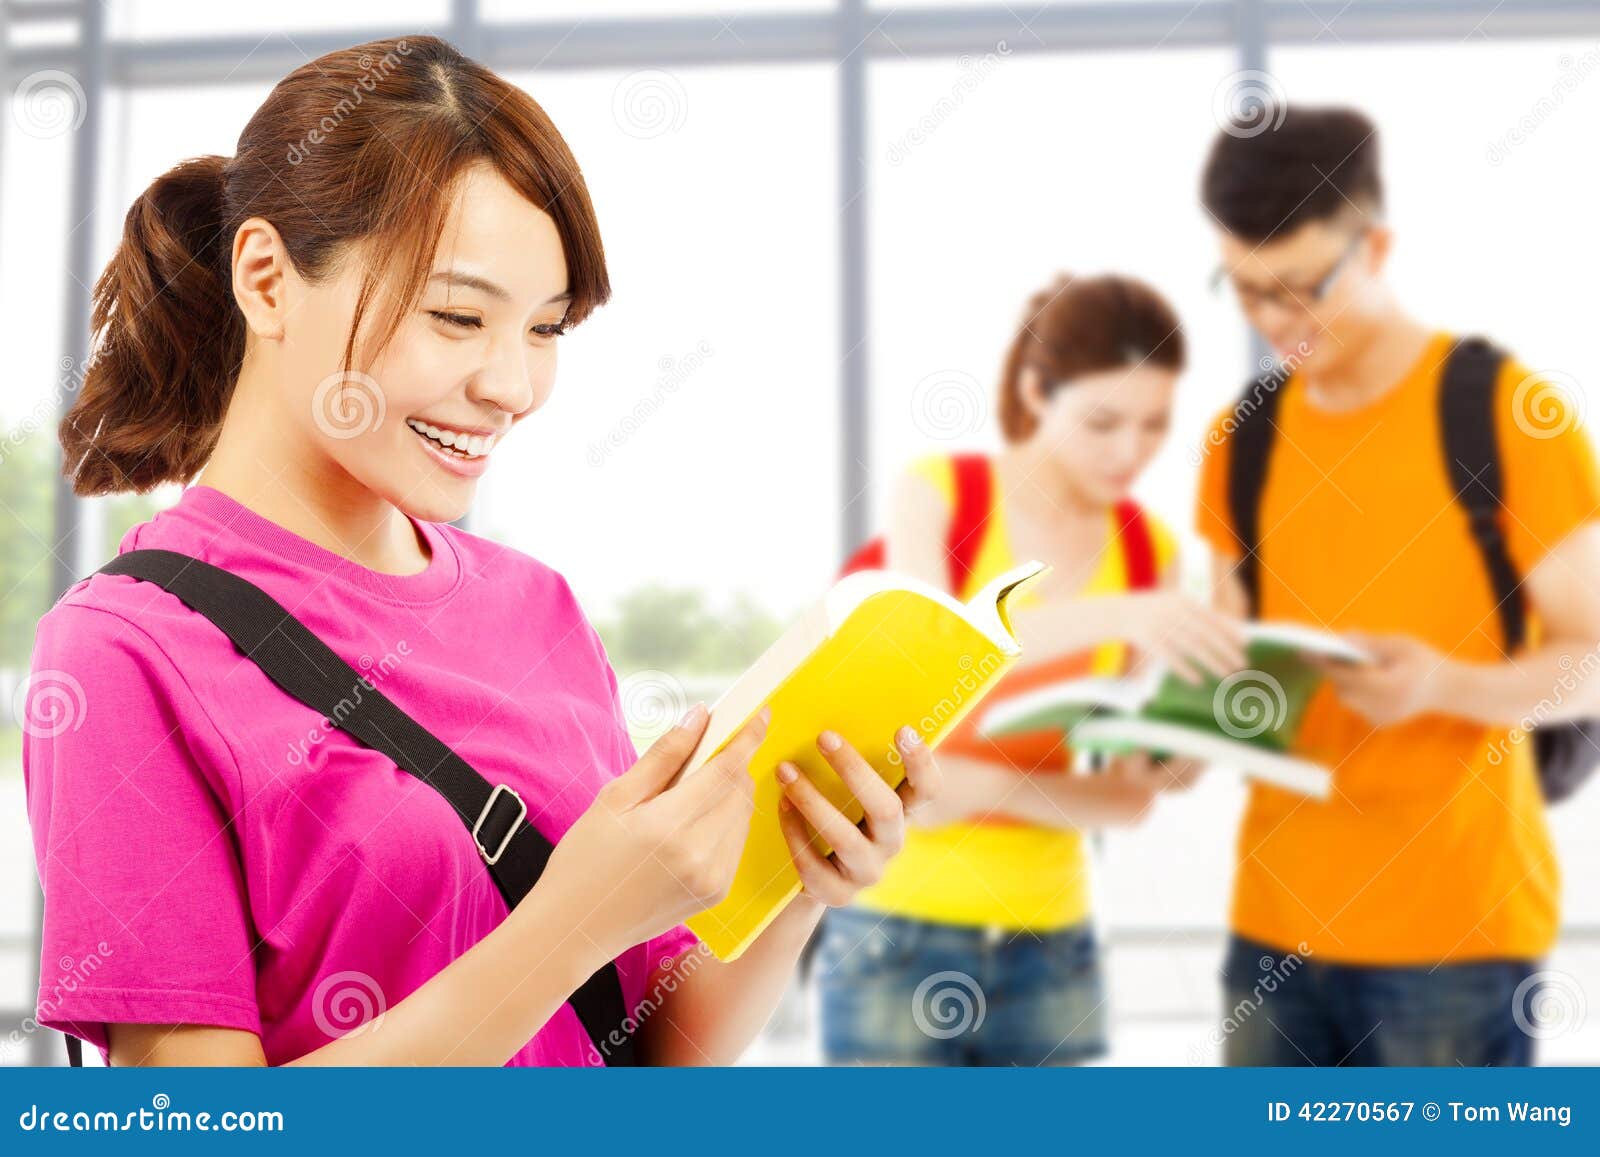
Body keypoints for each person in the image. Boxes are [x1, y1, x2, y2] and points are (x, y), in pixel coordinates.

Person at [21, 35, 944, 1067]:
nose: (511, 385)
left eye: (545, 330)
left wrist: (791, 880)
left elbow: (651, 1049)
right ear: (268, 279)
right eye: (458, 316)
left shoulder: (535, 605)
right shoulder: (122, 652)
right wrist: (574, 922)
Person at [1196, 104, 1600, 1066]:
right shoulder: (1239, 441)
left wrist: (1442, 686)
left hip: (1456, 940)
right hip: (1273, 931)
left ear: (1375, 244)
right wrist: (1175, 725)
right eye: (1246, 290)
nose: (1274, 323)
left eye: (1300, 289)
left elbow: (1590, 662)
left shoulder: (1505, 412)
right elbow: (1235, 656)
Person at [815, 273, 1244, 1066]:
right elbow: (926, 663)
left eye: (1154, 425)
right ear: (1036, 391)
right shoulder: (944, 494)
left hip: (1054, 950)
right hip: (891, 940)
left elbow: (1123, 797)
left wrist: (1171, 757)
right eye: (1102, 421)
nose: (1130, 451)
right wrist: (1115, 618)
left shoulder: (1151, 551)